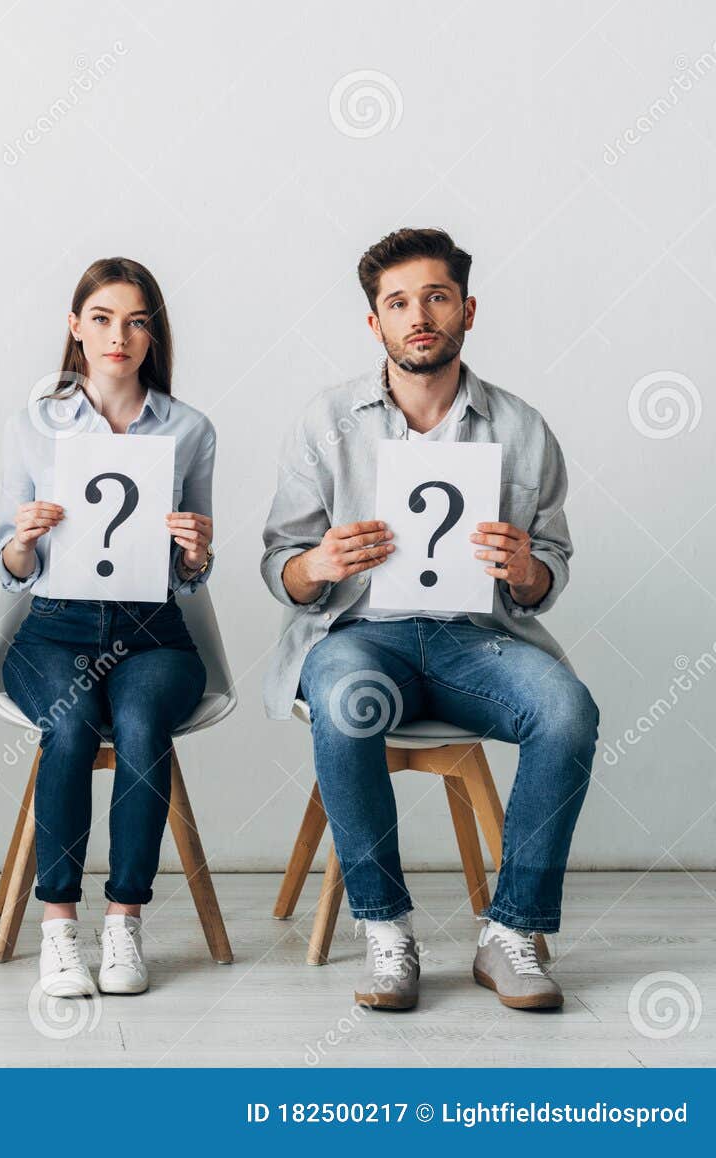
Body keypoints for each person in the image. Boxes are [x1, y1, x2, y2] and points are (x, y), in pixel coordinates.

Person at [260, 227, 597, 1012]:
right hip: (359, 637)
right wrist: (320, 564)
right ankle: (386, 930)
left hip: (479, 641)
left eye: (437, 297)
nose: (420, 315)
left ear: (467, 311)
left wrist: (528, 569)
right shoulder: (326, 420)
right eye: (399, 302)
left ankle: (509, 932)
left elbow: (551, 568)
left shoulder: (522, 428)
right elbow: (283, 567)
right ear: (373, 322)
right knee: (346, 704)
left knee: (568, 709)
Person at [0, 257, 215, 998]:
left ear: (154, 334)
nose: (118, 335)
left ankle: (125, 921)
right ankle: (58, 925)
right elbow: (10, 567)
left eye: (137, 321)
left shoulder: (189, 429)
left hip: (154, 631)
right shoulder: (32, 426)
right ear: (75, 328)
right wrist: (23, 538)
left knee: (143, 723)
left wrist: (195, 552)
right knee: (71, 722)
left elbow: (191, 575)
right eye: (102, 319)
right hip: (54, 627)